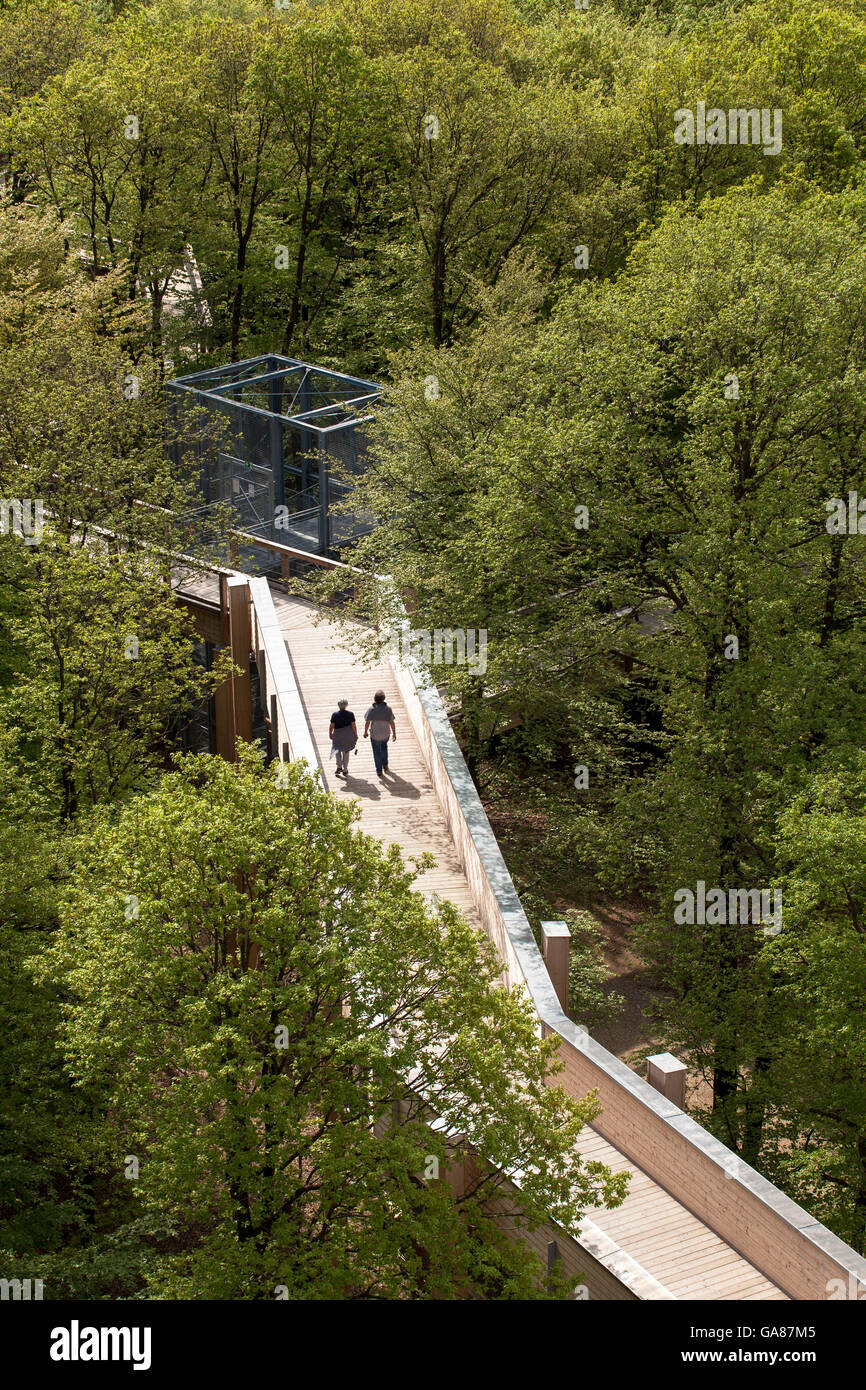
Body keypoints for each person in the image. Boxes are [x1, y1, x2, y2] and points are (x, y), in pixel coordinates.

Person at [364, 690, 396, 778]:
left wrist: (365, 732)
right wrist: (394, 733)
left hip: (375, 735)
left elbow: (367, 722)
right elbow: (392, 722)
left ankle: (379, 770)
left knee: (376, 752)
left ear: (375, 699)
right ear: (383, 699)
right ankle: (385, 765)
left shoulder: (371, 709)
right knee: (384, 748)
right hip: (386, 733)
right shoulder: (388, 709)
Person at [329, 699, 357, 777]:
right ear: (346, 705)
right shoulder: (350, 714)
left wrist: (330, 733)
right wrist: (355, 735)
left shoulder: (335, 715)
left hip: (337, 735)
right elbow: (353, 725)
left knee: (337, 751)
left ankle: (339, 767)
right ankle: (345, 769)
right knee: (346, 752)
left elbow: (332, 725)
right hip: (348, 735)